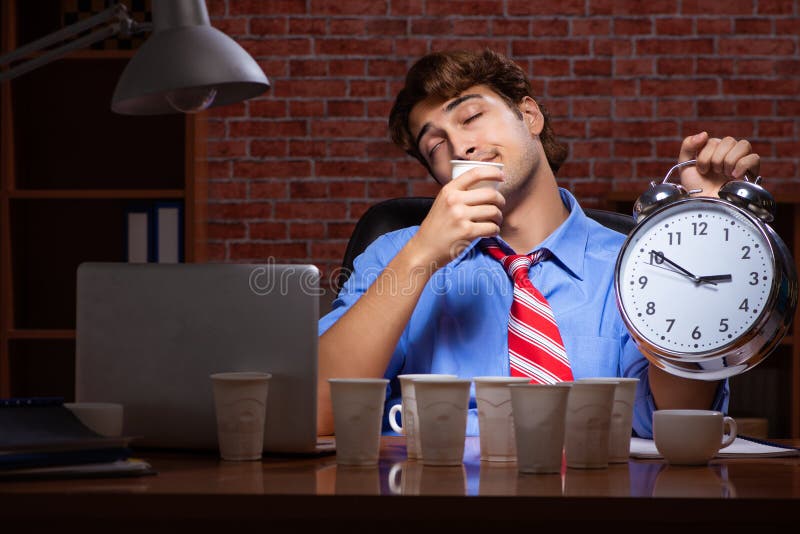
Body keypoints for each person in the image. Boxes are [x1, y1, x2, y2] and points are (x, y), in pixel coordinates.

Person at [316, 48, 760, 438]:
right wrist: (421, 257)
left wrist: (704, 231)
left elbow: (678, 415)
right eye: (435, 145)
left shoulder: (636, 261)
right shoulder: (396, 254)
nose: (461, 147)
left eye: (470, 117)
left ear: (529, 116)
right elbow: (317, 411)